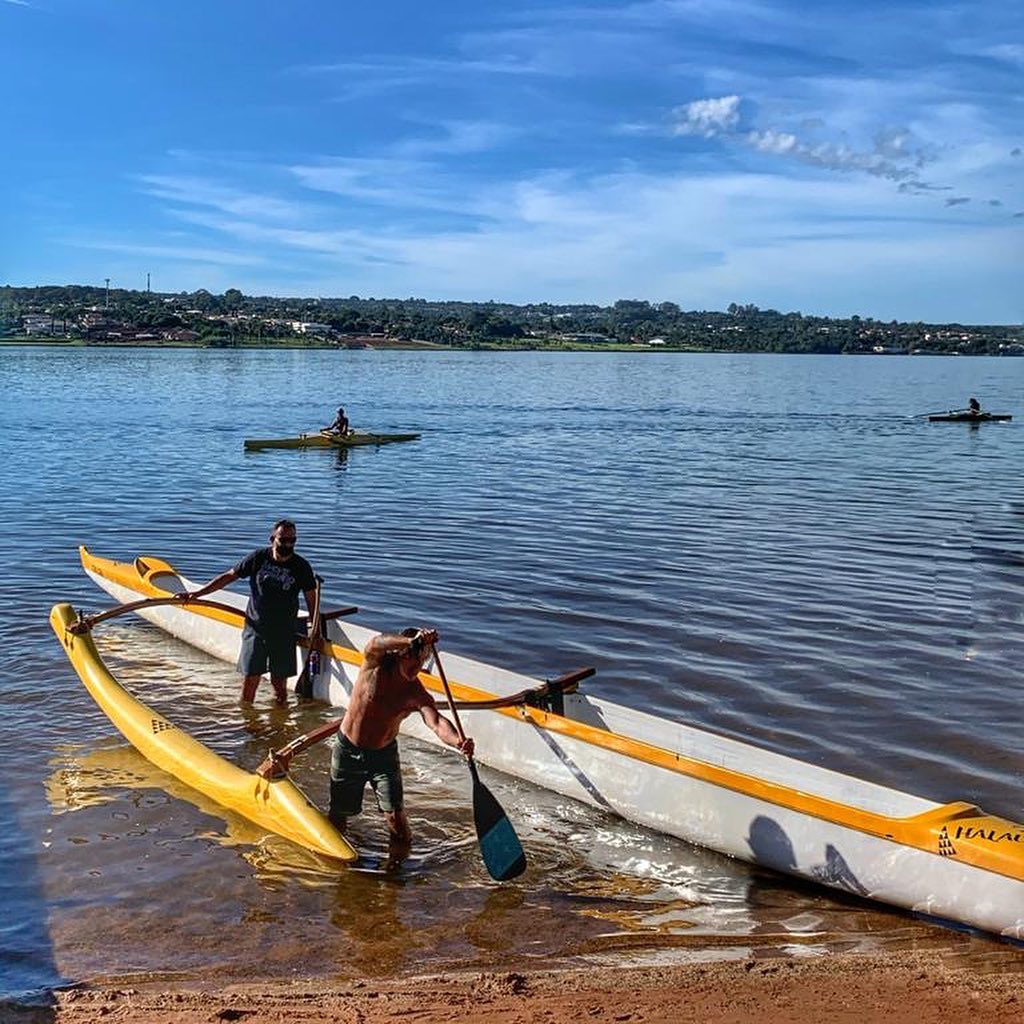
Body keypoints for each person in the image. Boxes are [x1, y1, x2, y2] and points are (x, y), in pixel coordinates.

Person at [328, 627, 474, 851]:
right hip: (349, 749)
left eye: (423, 662)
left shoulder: (416, 692)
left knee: (396, 817)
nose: (418, 668)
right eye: (415, 660)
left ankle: (399, 867)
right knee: (339, 814)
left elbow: (436, 722)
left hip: (383, 756)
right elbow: (377, 642)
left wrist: (458, 741)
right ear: (401, 653)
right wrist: (410, 641)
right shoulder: (374, 663)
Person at [176, 519, 317, 705]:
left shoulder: (301, 566)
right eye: (283, 540)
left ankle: (279, 726)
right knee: (250, 681)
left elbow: (311, 598)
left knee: (279, 686)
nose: (288, 545)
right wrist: (197, 594)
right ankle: (248, 725)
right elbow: (228, 577)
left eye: (292, 540)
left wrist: (314, 627)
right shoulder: (258, 558)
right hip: (256, 629)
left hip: (283, 632)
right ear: (272, 539)